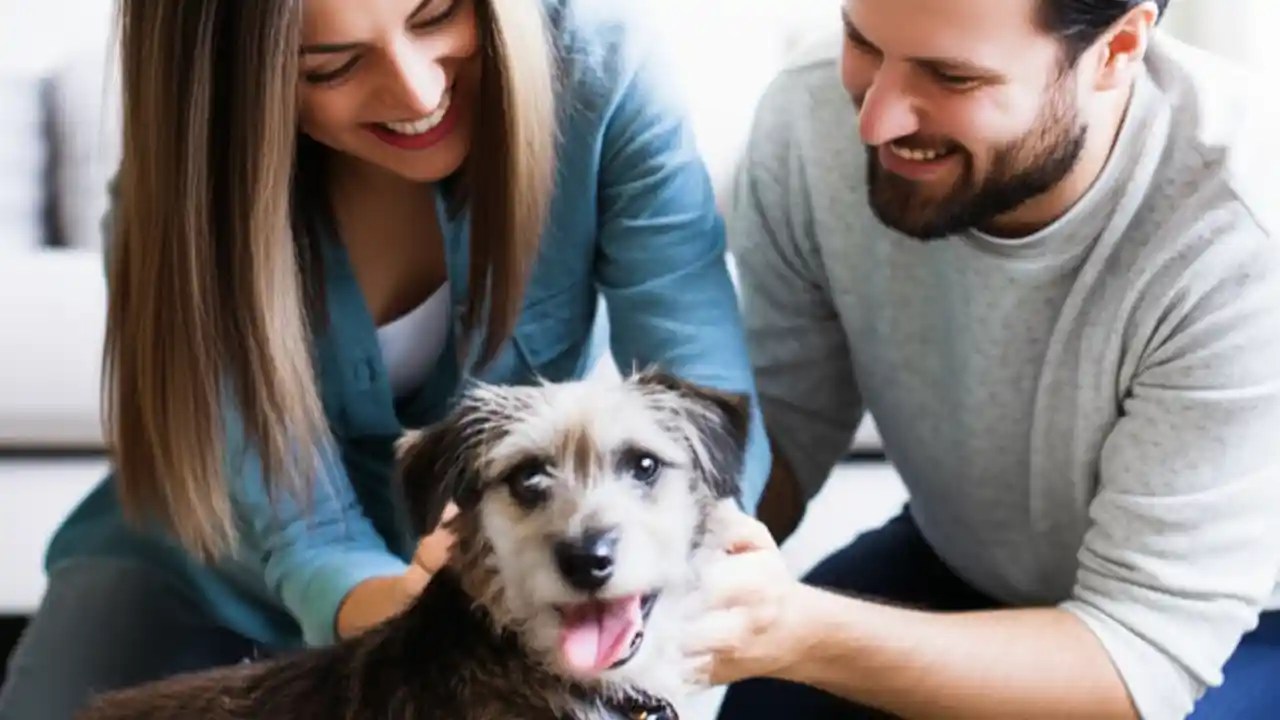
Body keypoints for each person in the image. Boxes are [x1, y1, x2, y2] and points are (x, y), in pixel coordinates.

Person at [0, 0, 772, 718]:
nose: (415, 90)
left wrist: (669, 582)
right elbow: (306, 538)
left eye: (436, 13)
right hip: (208, 560)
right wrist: (415, 606)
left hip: (505, 581)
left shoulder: (605, 76)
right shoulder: (180, 208)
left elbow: (708, 411)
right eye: (331, 66)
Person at [685, 1, 1280, 719]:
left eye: (951, 77)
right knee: (769, 706)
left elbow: (1137, 654)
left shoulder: (1240, 232)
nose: (875, 123)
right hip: (968, 552)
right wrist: (639, 556)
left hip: (1232, 627)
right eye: (862, 41)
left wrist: (797, 631)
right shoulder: (809, 116)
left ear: (1118, 50)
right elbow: (783, 429)